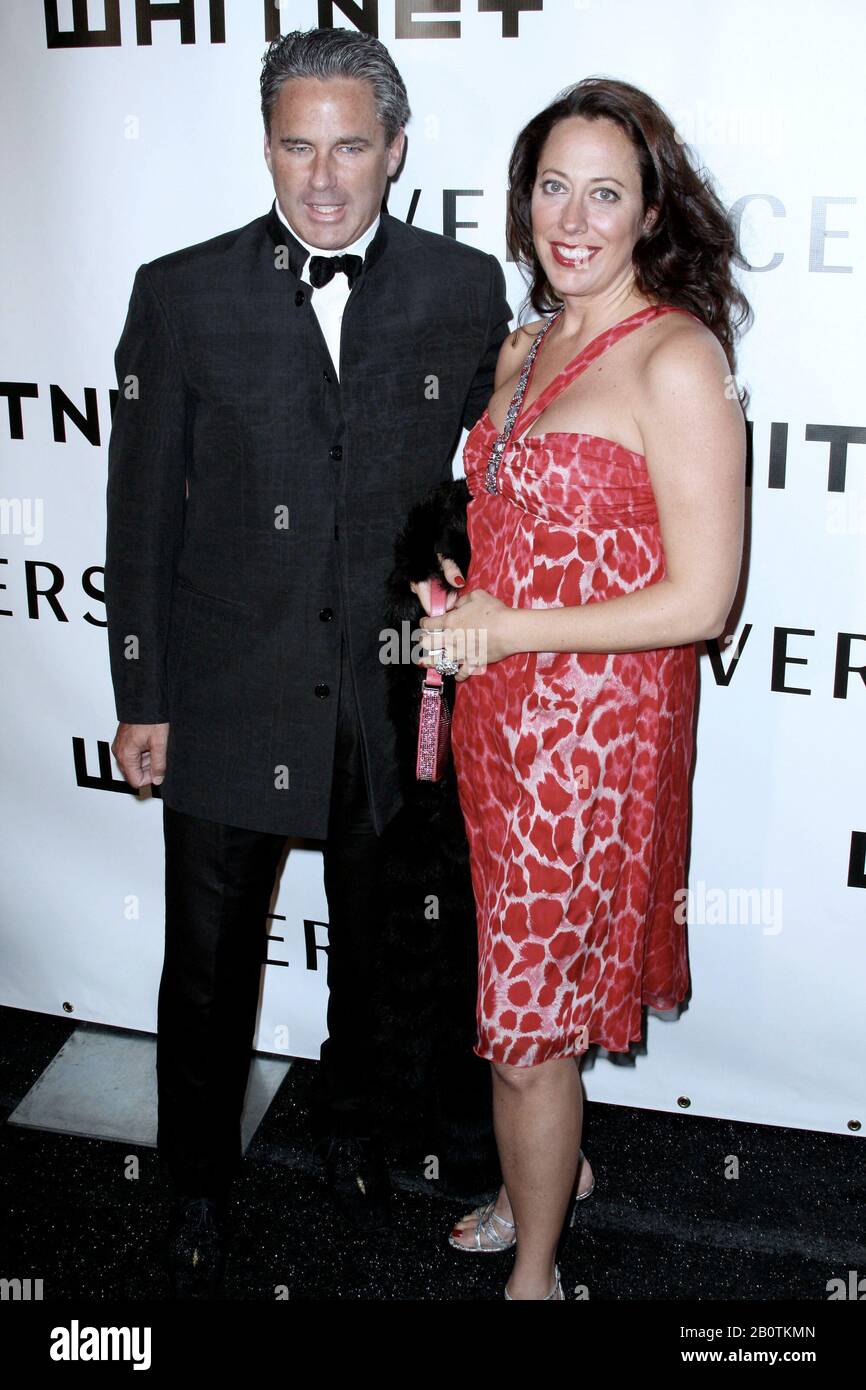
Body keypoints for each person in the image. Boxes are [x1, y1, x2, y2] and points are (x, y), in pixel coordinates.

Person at [104, 26, 510, 1295]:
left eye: (349, 145)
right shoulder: (181, 292)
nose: (322, 175)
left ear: (395, 148)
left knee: (384, 949)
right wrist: (143, 695)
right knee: (210, 968)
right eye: (296, 143)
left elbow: (481, 488)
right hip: (228, 695)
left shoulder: (464, 287)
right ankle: (196, 1189)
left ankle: (354, 1133)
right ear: (265, 144)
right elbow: (140, 513)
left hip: (392, 697)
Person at [412, 76, 749, 1300]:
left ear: (648, 209)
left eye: (605, 191)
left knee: (517, 1029)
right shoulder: (523, 340)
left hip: (590, 749)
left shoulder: (676, 358)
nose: (573, 216)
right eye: (552, 185)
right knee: (519, 1003)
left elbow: (703, 603)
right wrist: (456, 593)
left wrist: (513, 631)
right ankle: (538, 1176)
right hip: (498, 730)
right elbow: (504, 527)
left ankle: (538, 1271)